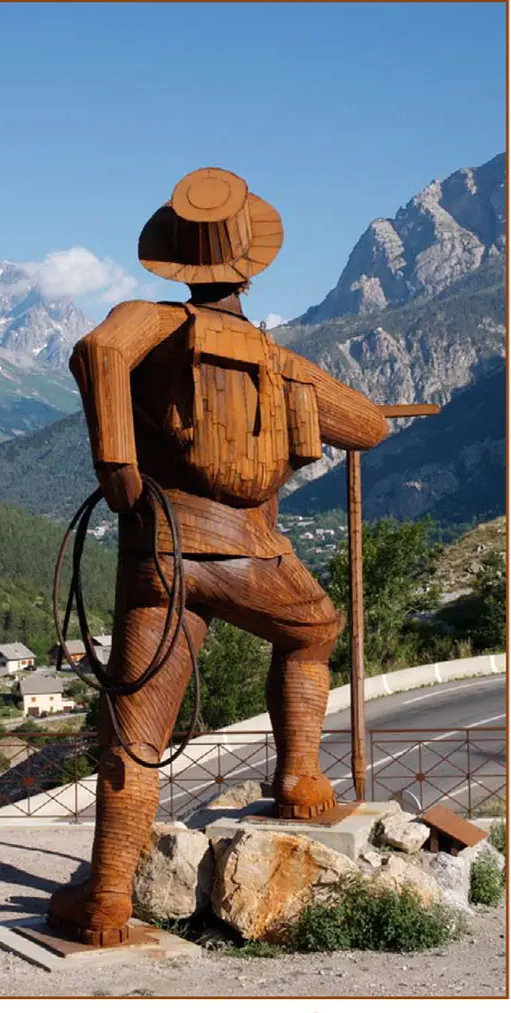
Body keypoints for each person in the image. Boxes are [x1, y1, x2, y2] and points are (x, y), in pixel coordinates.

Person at [49, 167, 390, 944]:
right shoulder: (275, 357)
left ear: (174, 260)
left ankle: (106, 900)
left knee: (134, 728)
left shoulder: (151, 323)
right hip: (250, 555)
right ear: (248, 264)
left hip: (161, 550)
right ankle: (299, 779)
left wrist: (120, 470)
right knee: (311, 633)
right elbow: (368, 425)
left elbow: (99, 351)